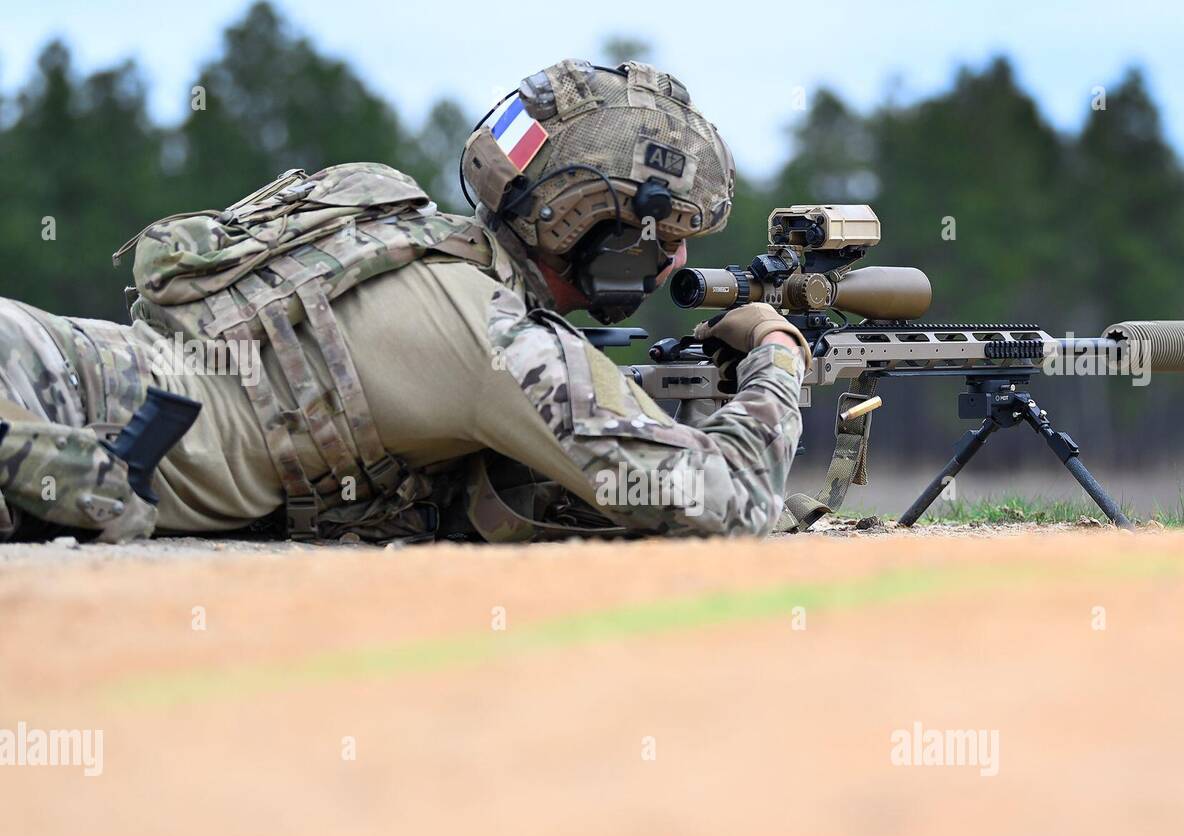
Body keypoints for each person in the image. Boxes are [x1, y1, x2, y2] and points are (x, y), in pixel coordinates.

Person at [0, 59, 810, 544]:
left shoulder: (386, 226)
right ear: (599, 231)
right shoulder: (501, 340)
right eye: (668, 236)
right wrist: (777, 357)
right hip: (67, 405)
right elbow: (727, 498)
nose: (677, 259)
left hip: (54, 358)